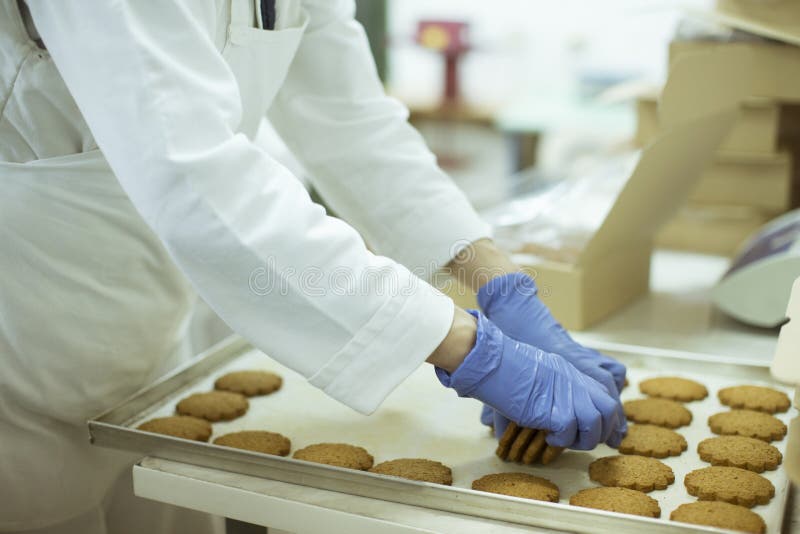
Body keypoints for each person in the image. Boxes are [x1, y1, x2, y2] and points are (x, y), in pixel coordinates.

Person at [0, 1, 627, 533]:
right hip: (30, 324)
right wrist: (471, 348)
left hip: (151, 335)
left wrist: (499, 282)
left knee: (165, 499)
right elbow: (195, 172)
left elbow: (351, 119)